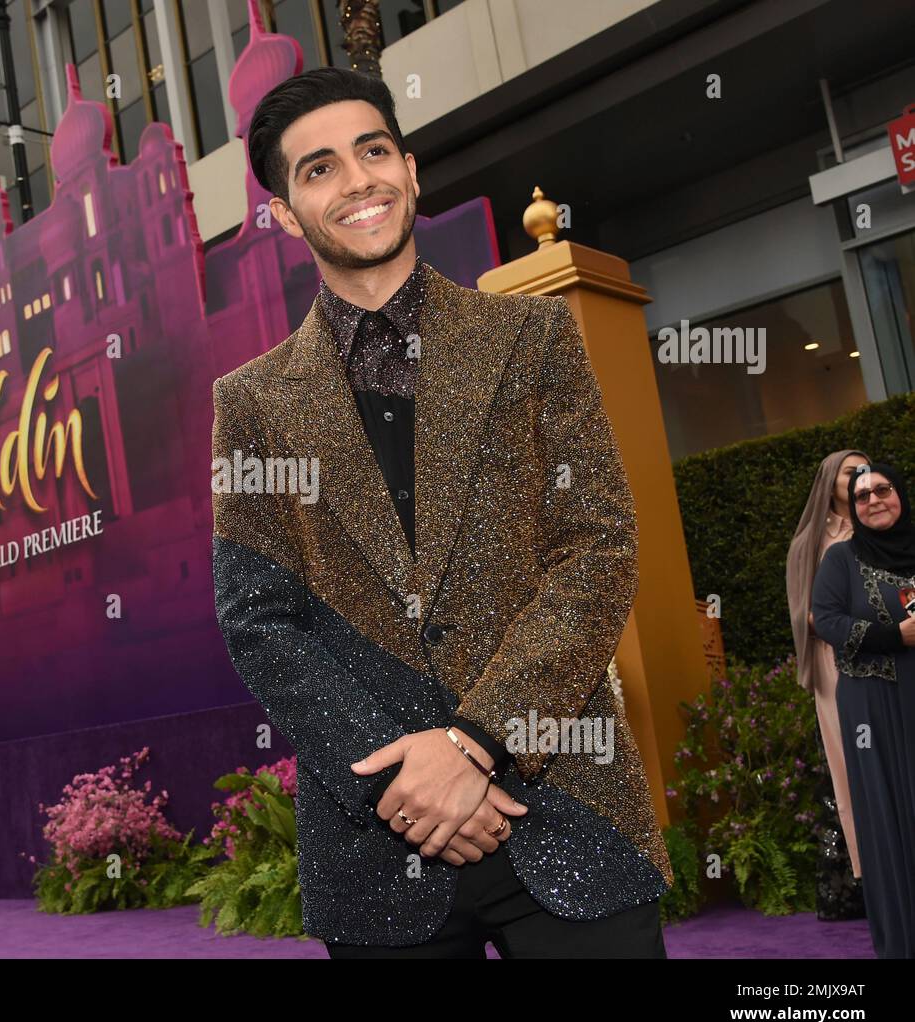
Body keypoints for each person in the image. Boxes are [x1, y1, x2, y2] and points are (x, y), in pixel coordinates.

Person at [212, 66, 670, 957]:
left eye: (373, 150)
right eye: (318, 169)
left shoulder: (533, 339)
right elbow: (259, 619)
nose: (356, 181)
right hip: (377, 848)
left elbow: (597, 548)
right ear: (284, 214)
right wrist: (403, 782)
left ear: (412, 171)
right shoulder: (253, 402)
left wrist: (475, 744)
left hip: (567, 801)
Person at [811, 463, 915, 958]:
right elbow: (826, 621)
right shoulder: (840, 559)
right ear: (852, 509)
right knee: (892, 810)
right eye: (862, 496)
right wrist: (894, 636)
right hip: (876, 705)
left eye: (883, 489)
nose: (874, 500)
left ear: (900, 494)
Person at [786, 450, 868, 919]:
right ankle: (874, 878)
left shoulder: (881, 529)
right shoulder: (808, 545)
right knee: (852, 772)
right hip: (837, 666)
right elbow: (805, 618)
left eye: (868, 468)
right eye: (850, 470)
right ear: (829, 481)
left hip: (894, 658)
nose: (862, 476)